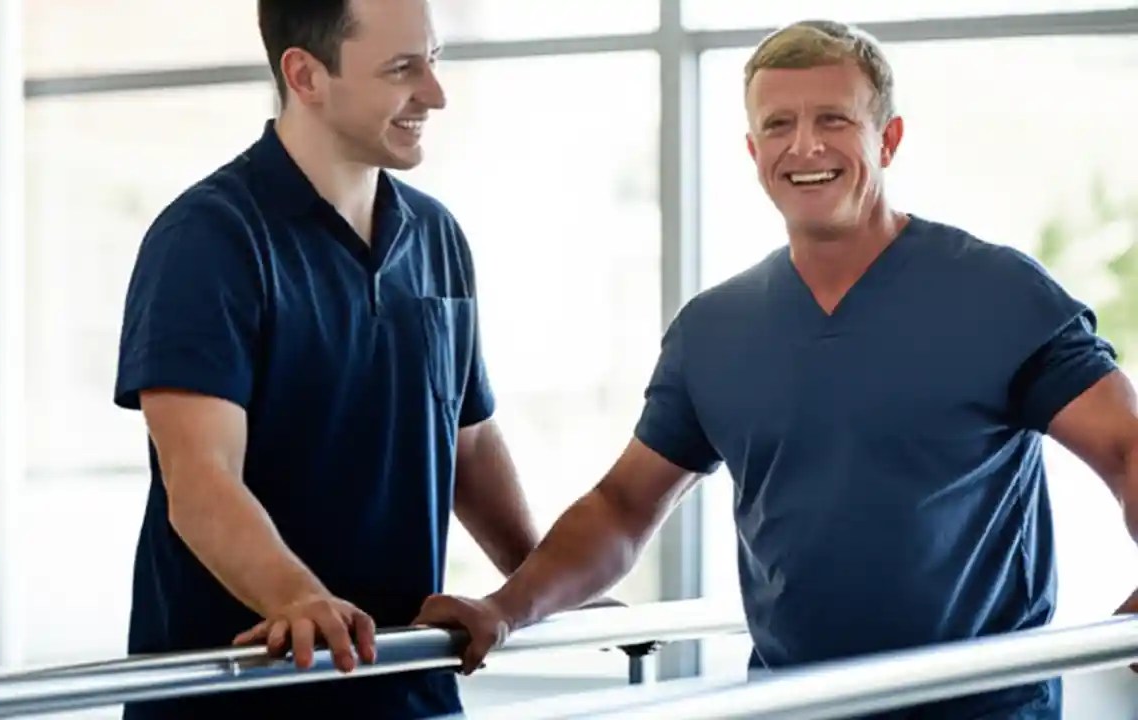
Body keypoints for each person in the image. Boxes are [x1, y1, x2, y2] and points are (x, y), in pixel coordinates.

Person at [413, 19, 1138, 719]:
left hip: (984, 707)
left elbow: (1125, 447)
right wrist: (503, 610)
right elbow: (621, 508)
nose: (805, 146)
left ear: (887, 138)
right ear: (753, 148)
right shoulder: (714, 330)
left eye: (834, 120)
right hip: (793, 706)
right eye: (779, 125)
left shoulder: (999, 294)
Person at [111, 0, 542, 717]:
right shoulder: (208, 240)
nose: (434, 93)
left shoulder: (438, 238)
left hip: (408, 690)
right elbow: (201, 479)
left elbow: (468, 442)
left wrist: (543, 586)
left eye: (432, 60)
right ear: (305, 75)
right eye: (403, 69)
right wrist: (299, 598)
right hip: (246, 697)